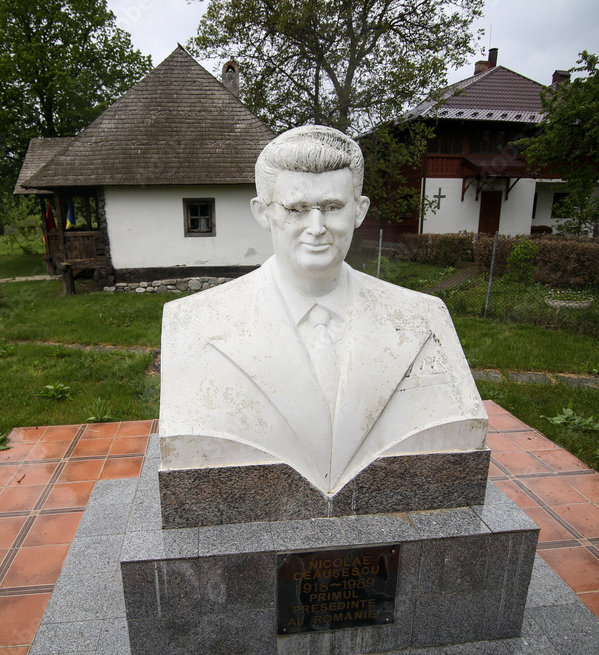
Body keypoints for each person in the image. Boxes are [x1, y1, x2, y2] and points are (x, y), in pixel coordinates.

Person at [159, 125, 486, 495]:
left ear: (359, 211)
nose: (316, 228)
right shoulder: (193, 323)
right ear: (263, 212)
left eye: (332, 207)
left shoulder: (423, 318)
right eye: (296, 209)